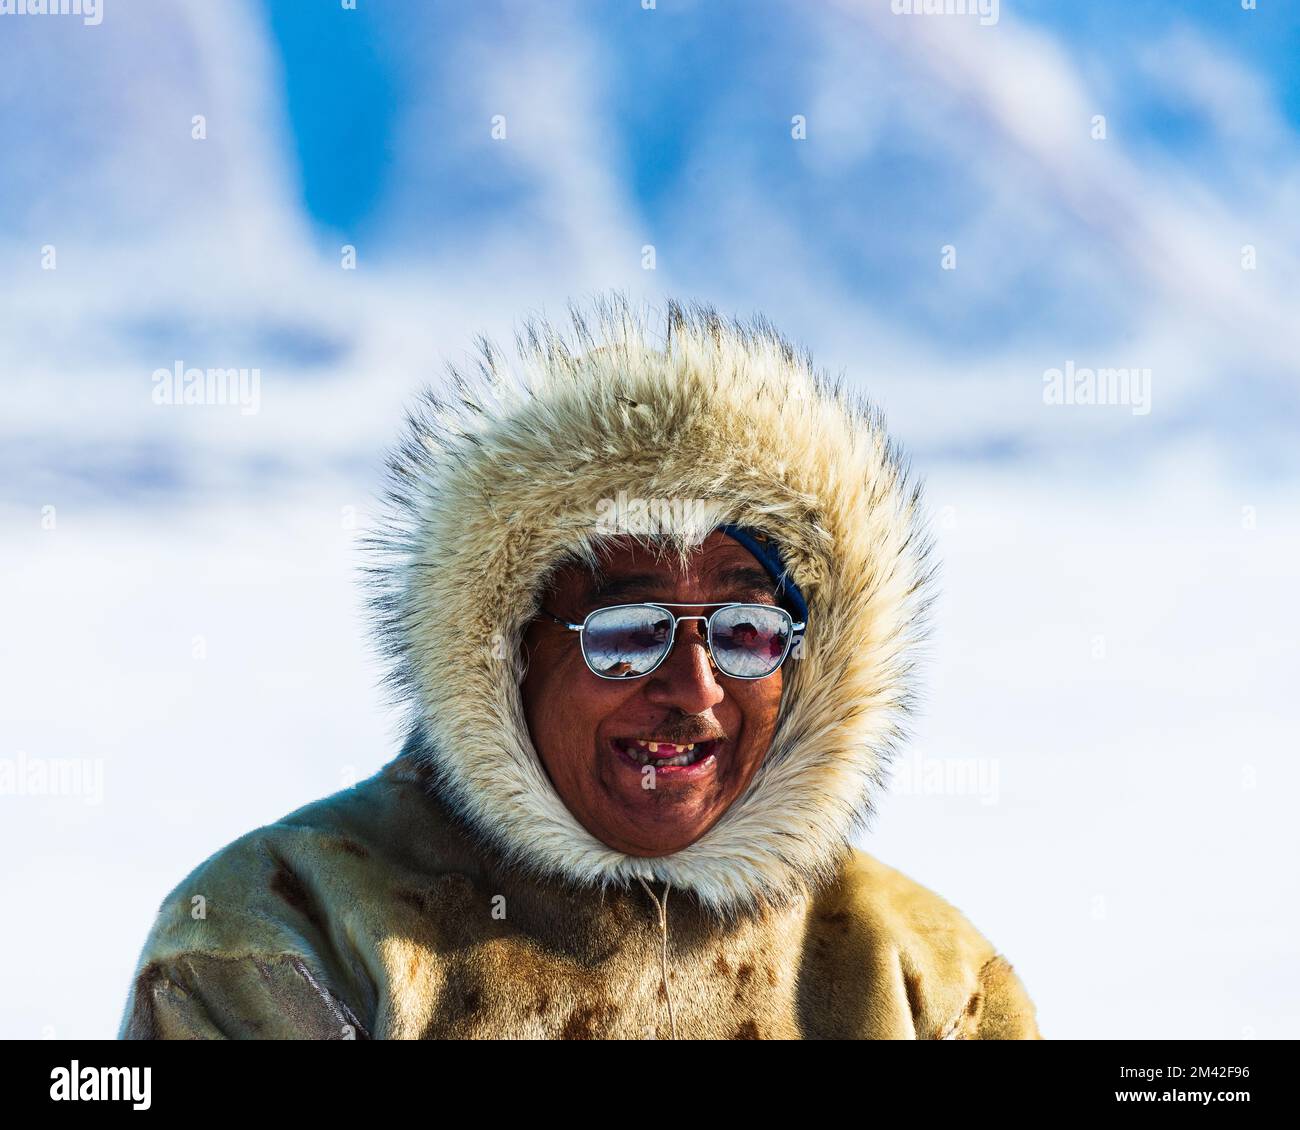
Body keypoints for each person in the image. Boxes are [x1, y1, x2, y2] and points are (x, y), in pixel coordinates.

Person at [118, 296, 1042, 1039]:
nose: (695, 690)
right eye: (626, 631)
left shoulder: (921, 980)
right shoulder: (286, 931)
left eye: (747, 630)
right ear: (507, 648)